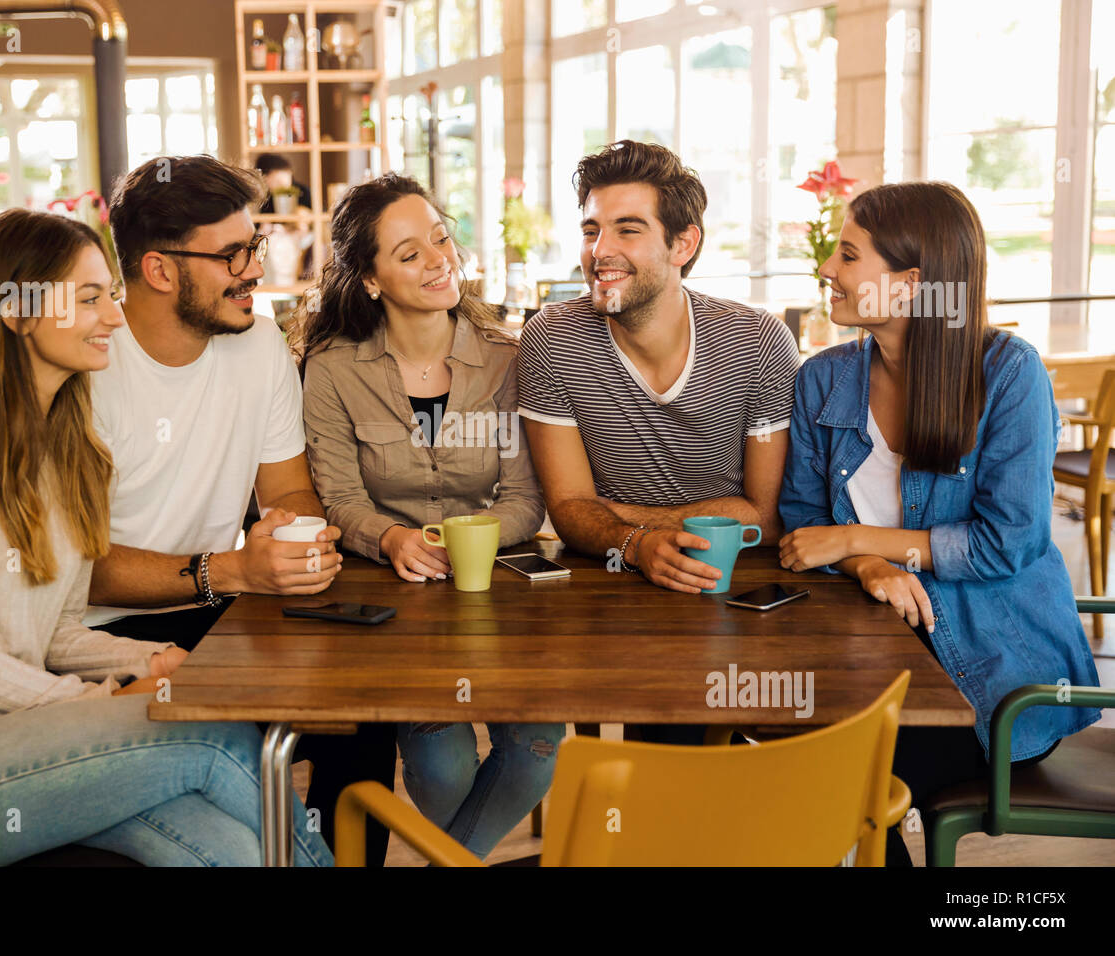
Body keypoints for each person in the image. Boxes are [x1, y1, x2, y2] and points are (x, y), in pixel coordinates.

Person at [0, 208, 331, 866]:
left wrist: (140, 665)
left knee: (230, 851)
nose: (115, 318)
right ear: (12, 310)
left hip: (13, 733)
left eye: (111, 296)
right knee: (212, 733)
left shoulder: (66, 443)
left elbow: (57, 631)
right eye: (90, 298)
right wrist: (100, 701)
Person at [777, 180, 1102, 865]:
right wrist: (865, 565)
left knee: (835, 774)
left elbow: (1008, 542)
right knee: (769, 736)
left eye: (847, 255)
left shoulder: (1009, 376)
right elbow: (805, 523)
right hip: (863, 652)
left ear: (910, 284)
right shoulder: (823, 380)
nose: (826, 270)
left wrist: (859, 538)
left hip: (988, 676)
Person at [87, 154, 396, 864]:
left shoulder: (256, 344)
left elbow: (286, 490)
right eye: (233, 254)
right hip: (94, 634)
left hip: (215, 604)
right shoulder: (91, 364)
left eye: (253, 246)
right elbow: (77, 572)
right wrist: (230, 569)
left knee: (363, 708)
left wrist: (294, 536)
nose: (255, 268)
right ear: (161, 271)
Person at [297, 172, 559, 859]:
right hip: (396, 603)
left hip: (498, 595)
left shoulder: (507, 358)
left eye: (441, 239)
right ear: (370, 279)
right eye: (409, 253)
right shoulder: (331, 368)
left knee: (535, 752)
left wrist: (455, 539)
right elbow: (340, 499)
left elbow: (528, 500)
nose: (438, 259)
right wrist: (388, 537)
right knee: (443, 765)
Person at [517, 140, 800, 746]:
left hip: (742, 584)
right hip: (620, 588)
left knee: (784, 744)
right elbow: (568, 512)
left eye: (627, 229)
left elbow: (768, 518)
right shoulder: (553, 340)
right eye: (591, 229)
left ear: (683, 244)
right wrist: (637, 546)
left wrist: (627, 522)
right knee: (663, 742)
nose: (600, 252)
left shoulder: (758, 343)